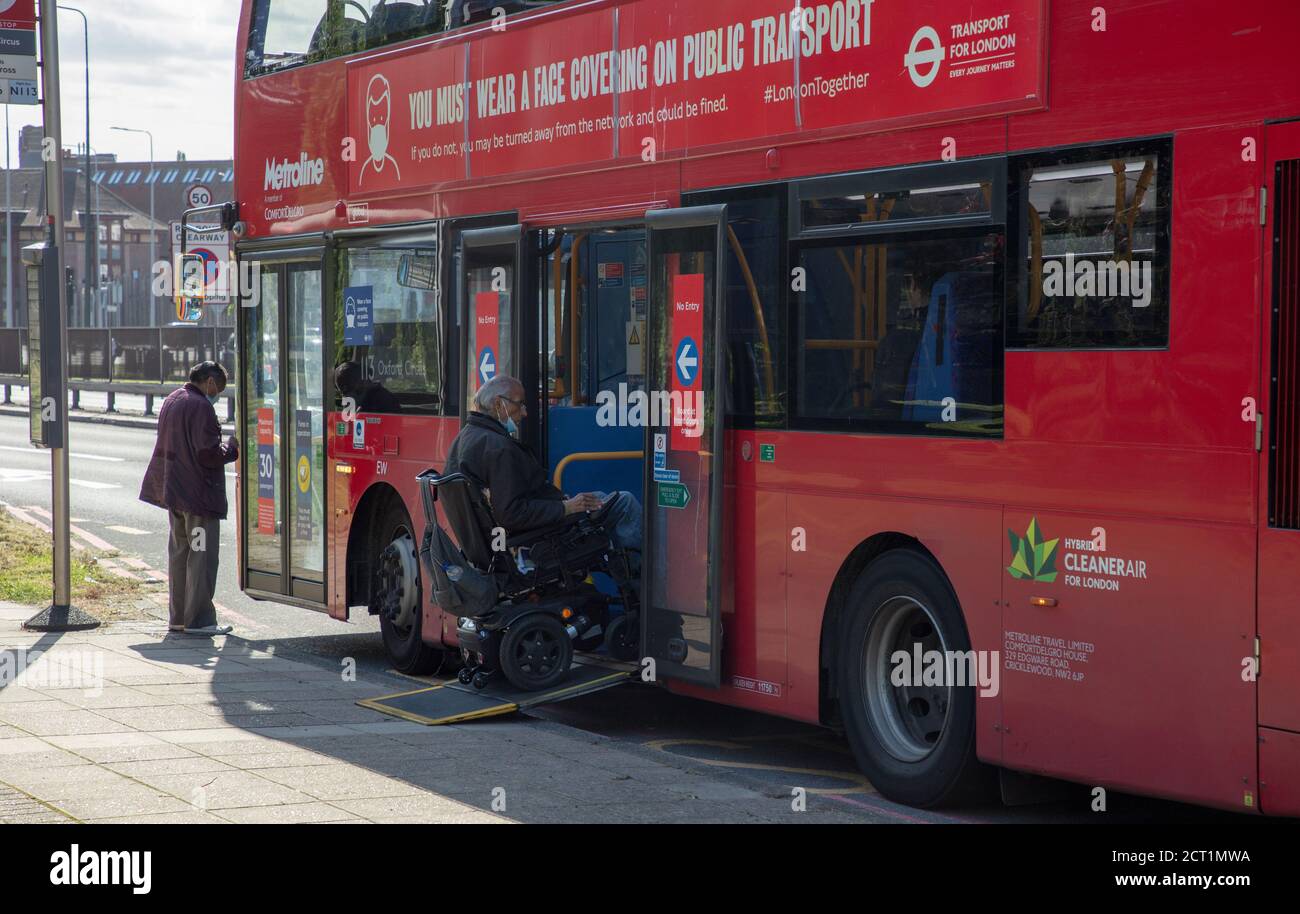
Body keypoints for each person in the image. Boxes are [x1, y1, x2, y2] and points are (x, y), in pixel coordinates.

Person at [445, 375, 642, 553]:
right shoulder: (498, 448)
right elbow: (511, 514)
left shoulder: (466, 437)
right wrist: (567, 507)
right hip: (541, 532)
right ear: (498, 404)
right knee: (624, 503)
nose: (524, 413)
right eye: (520, 404)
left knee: (600, 499)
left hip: (521, 529)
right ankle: (642, 582)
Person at [139, 362, 239, 635]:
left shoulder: (173, 399)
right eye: (219, 387)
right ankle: (200, 621)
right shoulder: (200, 406)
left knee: (180, 555)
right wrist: (232, 449)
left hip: (175, 492)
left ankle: (179, 618)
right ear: (209, 381)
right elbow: (207, 454)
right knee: (201, 557)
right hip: (198, 497)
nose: (218, 393)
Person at [335, 360, 402, 414]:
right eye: (343, 392)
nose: (345, 396)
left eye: (349, 388)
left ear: (363, 380)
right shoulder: (363, 396)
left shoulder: (382, 399)